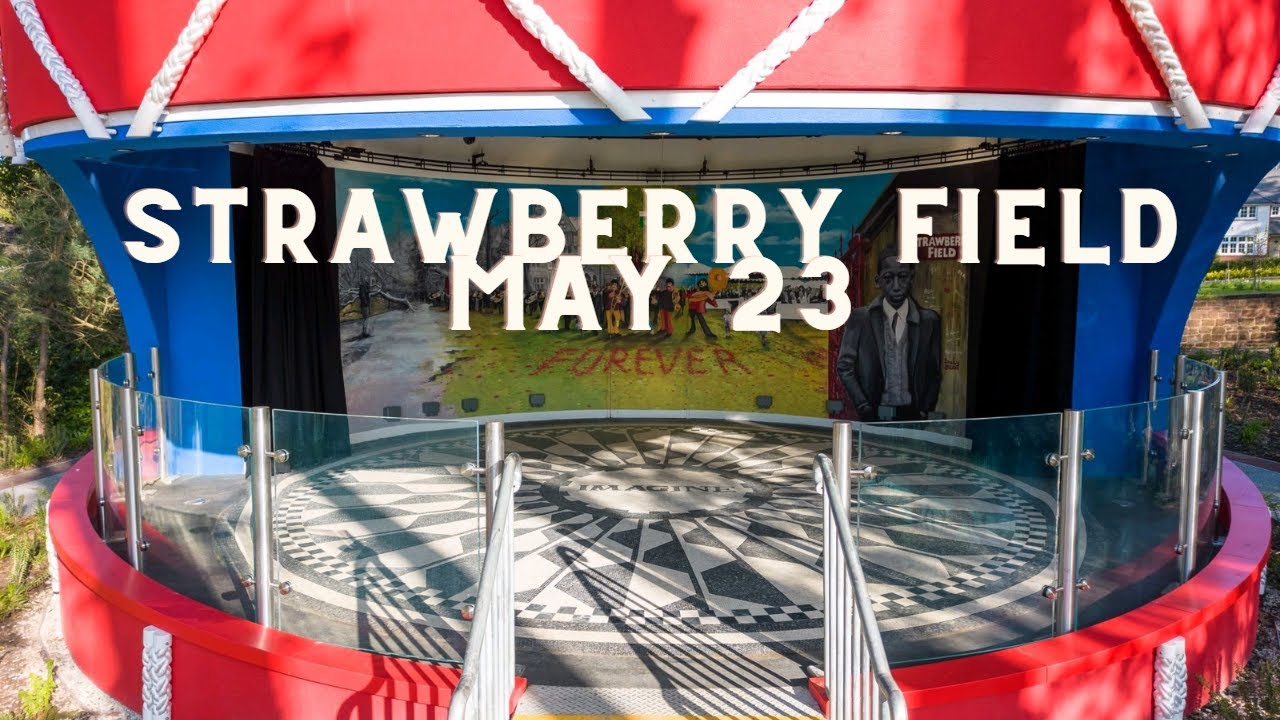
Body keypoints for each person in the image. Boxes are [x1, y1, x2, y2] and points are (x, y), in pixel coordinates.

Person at [835, 244, 942, 422]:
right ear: (878, 281)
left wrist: (924, 409)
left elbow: (934, 373)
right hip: (873, 414)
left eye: (902, 277)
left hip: (913, 416)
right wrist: (863, 406)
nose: (896, 286)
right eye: (888, 278)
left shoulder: (929, 322)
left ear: (911, 278)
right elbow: (845, 366)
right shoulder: (861, 319)